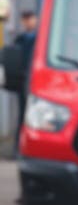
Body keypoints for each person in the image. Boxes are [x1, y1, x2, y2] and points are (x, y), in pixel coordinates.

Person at [13, 10, 37, 153]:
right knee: (23, 115)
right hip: (23, 81)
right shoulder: (20, 40)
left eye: (31, 18)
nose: (29, 22)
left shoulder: (42, 39)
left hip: (37, 81)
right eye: (26, 19)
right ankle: (18, 148)